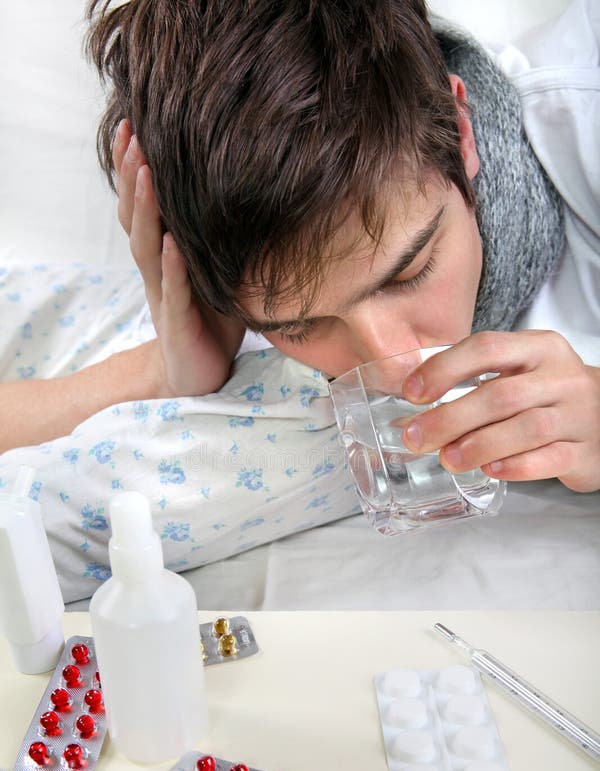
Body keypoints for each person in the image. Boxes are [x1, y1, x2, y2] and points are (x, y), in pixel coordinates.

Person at [0, 0, 598, 602]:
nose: (395, 372)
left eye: (412, 270)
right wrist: (165, 371)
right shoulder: (240, 264)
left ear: (461, 129)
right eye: (303, 326)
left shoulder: (586, 119)